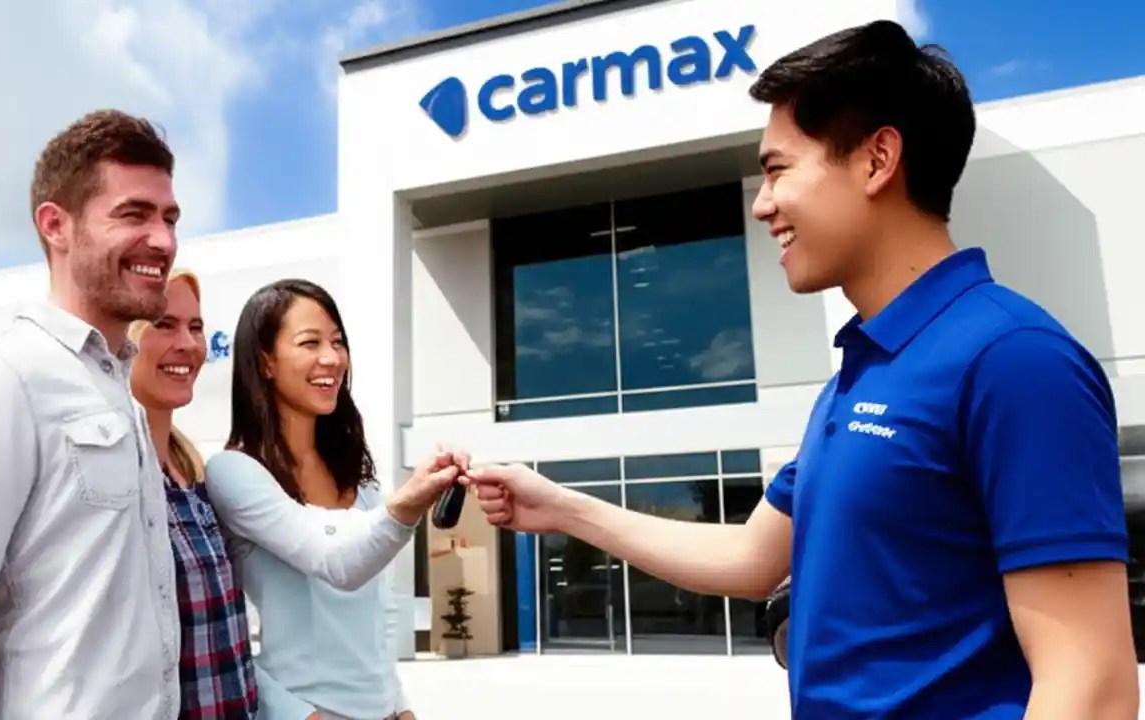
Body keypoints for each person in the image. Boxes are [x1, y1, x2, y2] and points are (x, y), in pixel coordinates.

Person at [468, 20, 1139, 719]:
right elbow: (754, 557)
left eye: (778, 168)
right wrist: (562, 508)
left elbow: (1090, 689)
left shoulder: (1013, 361)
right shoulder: (857, 377)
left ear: (877, 160)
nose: (762, 205)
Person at [0, 110, 184, 719]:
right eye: (133, 214)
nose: (162, 240)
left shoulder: (120, 396)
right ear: (56, 225)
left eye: (168, 218)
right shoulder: (3, 382)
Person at [205, 278, 463, 720]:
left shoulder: (361, 483)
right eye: (310, 342)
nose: (332, 358)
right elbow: (334, 559)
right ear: (265, 362)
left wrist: (399, 706)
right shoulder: (235, 472)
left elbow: (376, 615)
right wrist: (409, 505)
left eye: (337, 342)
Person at [129, 269, 259, 719]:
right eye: (164, 324)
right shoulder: (115, 481)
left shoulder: (197, 478)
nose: (188, 344)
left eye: (196, 327)